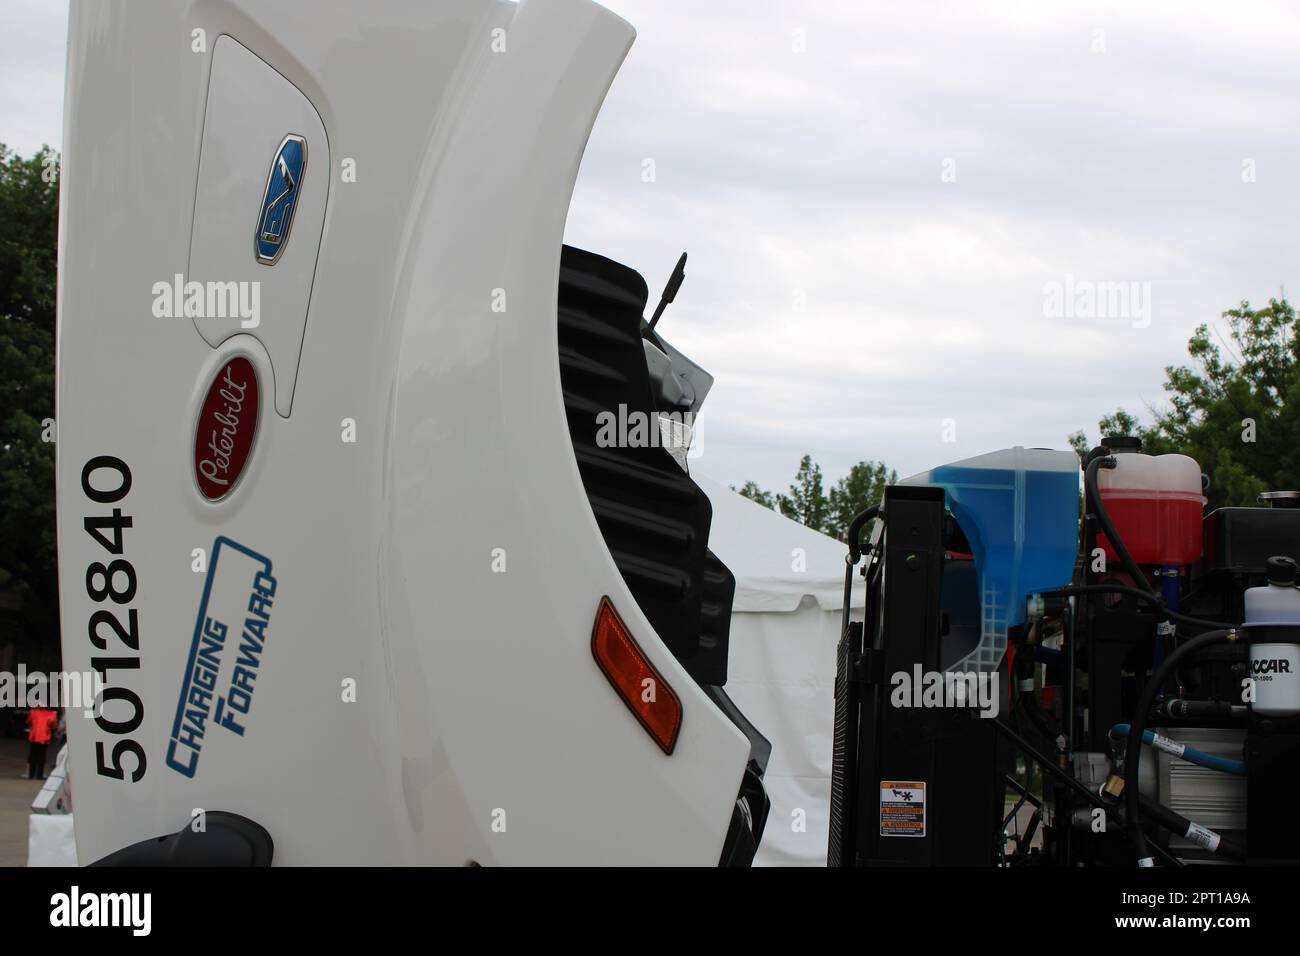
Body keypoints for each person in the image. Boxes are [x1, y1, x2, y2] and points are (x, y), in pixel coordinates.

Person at [25, 707, 58, 780]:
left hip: (34, 737)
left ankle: (31, 775)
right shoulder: (52, 714)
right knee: (42, 757)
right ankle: (39, 775)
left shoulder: (33, 712)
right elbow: (54, 726)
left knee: (32, 755)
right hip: (44, 738)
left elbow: (28, 722)